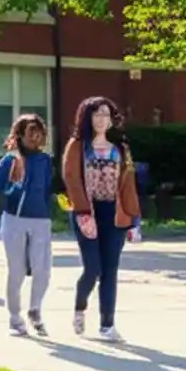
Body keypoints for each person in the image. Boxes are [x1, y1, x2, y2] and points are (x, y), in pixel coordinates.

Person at [62, 96, 142, 343]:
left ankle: (107, 325)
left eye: (106, 115)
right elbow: (72, 180)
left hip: (114, 213)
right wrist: (83, 213)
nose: (101, 119)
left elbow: (128, 185)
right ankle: (80, 306)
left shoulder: (120, 149)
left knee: (110, 270)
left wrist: (134, 220)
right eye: (97, 114)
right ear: (88, 118)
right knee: (93, 268)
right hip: (87, 212)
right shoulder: (77, 146)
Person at [0, 114, 54, 336]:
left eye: (39, 132)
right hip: (14, 220)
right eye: (31, 131)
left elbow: (50, 189)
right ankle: (15, 318)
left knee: (42, 270)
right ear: (20, 135)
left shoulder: (46, 161)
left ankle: (35, 309)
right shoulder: (10, 160)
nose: (35, 136)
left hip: (41, 220)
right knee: (18, 270)